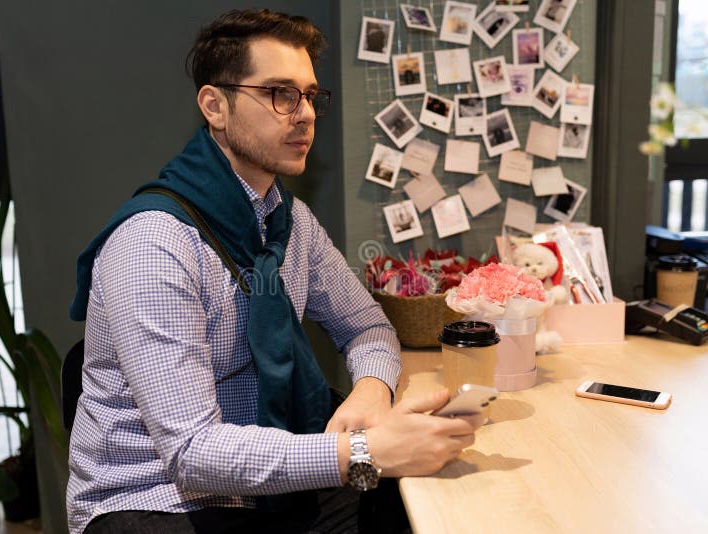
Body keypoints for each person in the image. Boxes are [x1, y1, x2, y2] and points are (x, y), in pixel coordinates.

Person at [67, 9, 483, 533]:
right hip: (155, 497)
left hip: (271, 480)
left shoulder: (290, 222)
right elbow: (193, 453)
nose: (304, 114)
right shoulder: (153, 244)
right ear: (215, 105)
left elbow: (368, 327)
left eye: (310, 95)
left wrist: (372, 391)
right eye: (281, 94)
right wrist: (361, 450)